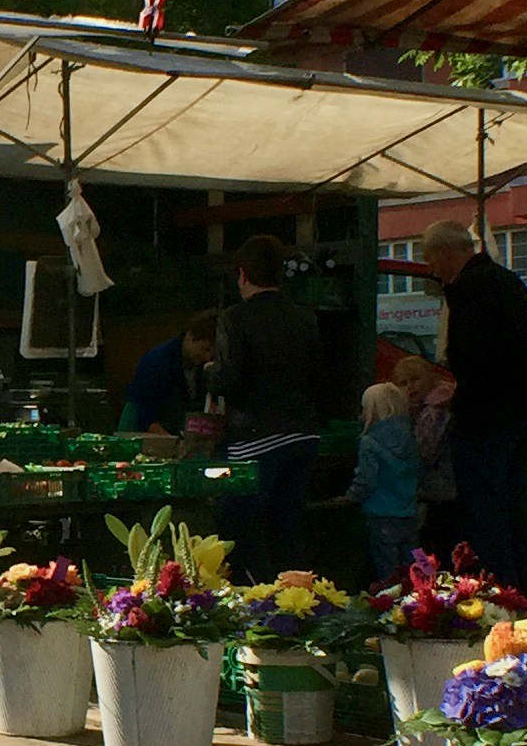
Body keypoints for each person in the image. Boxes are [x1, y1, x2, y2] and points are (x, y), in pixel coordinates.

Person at [421, 219, 527, 591]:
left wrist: (455, 395)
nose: (431, 268)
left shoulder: (468, 290)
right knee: (511, 510)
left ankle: (499, 590)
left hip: (486, 418)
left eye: (430, 258)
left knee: (485, 513)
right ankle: (520, 586)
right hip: (520, 414)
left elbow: (477, 359)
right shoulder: (508, 280)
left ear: (447, 252)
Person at [208, 235, 324, 577]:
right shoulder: (306, 318)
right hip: (304, 434)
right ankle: (296, 602)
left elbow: (229, 380)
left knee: (242, 529)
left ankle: (256, 604)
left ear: (242, 275)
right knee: (288, 529)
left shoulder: (235, 319)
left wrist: (209, 375)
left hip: (256, 436)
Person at [349, 380, 421, 585]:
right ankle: (430, 598)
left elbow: (366, 480)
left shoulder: (369, 442)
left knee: (388, 571)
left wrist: (351, 496)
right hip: (410, 513)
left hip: (380, 516)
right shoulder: (411, 436)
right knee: (418, 561)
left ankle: (392, 607)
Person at [392, 353, 464, 557]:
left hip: (438, 494)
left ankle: (426, 581)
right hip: (437, 494)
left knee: (425, 548)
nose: (411, 387)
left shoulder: (434, 411)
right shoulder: (420, 411)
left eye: (415, 379)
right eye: (404, 383)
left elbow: (424, 452)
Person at [121, 317, 214, 437]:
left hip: (176, 431)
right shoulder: (157, 362)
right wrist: (173, 442)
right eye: (204, 349)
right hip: (143, 432)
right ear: (189, 336)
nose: (208, 357)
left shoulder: (201, 365)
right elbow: (145, 415)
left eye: (212, 353)